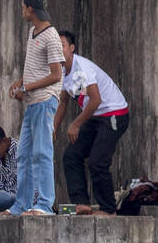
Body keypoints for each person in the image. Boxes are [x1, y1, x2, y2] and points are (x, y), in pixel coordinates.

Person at [55, 30, 130, 215]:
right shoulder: (63, 71)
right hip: (95, 116)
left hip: (114, 114)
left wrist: (76, 124)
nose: (58, 50)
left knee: (98, 161)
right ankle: (81, 203)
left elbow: (95, 100)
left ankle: (108, 209)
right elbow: (63, 101)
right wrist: (53, 128)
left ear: (71, 48)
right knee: (71, 155)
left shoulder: (82, 69)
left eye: (62, 46)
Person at [4, 0, 64, 217]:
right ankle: (22, 204)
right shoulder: (33, 33)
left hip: (44, 101)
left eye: (23, 7)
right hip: (32, 103)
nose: (22, 11)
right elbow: (36, 68)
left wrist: (26, 87)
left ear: (30, 8)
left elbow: (56, 74)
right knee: (24, 154)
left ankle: (45, 205)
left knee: (42, 153)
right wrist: (22, 81)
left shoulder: (50, 36)